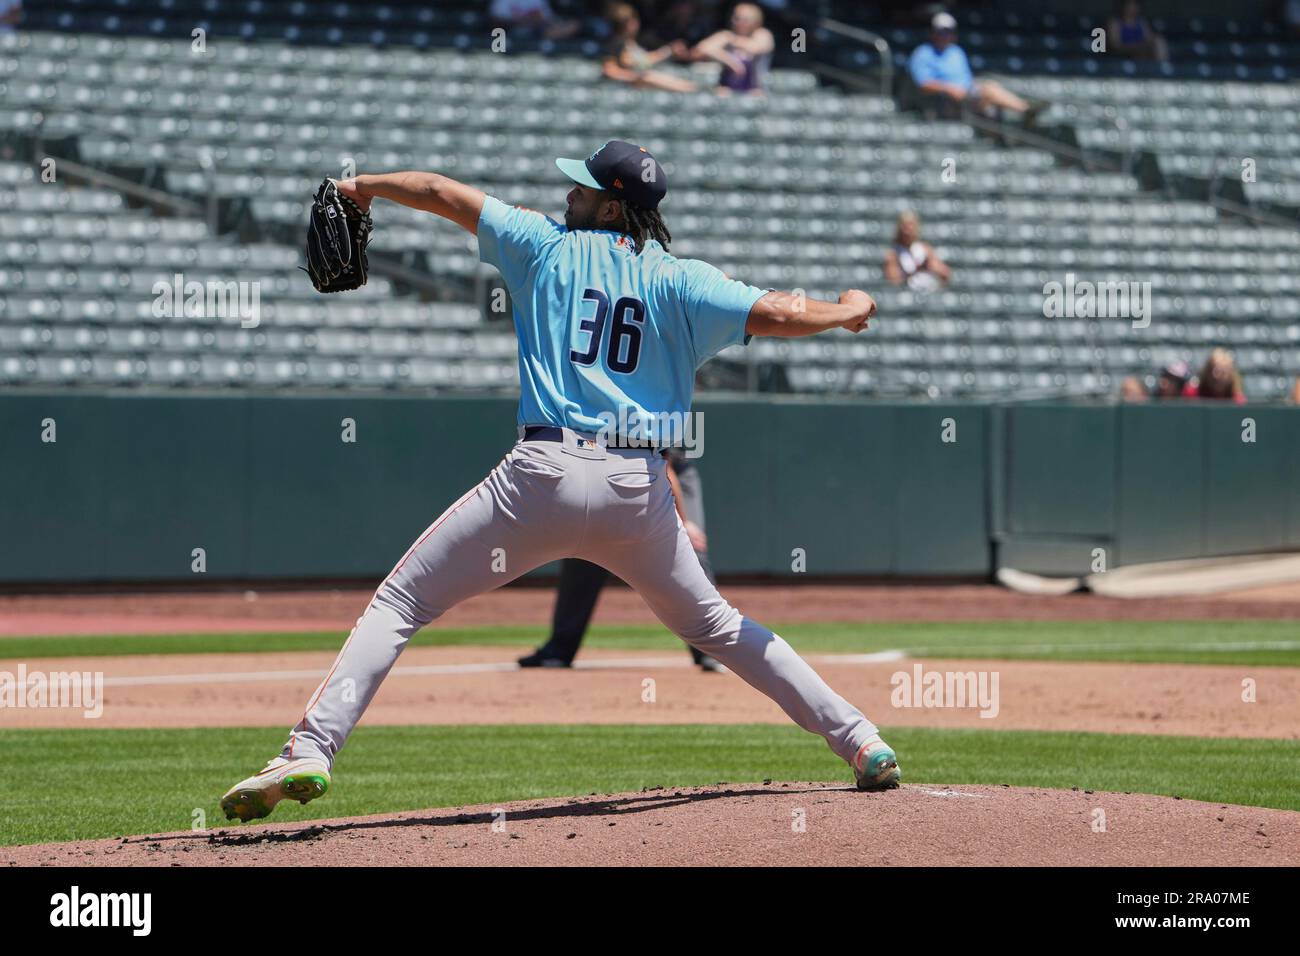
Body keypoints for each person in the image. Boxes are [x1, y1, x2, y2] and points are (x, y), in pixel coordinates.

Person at [219, 139, 898, 823]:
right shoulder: (683, 279)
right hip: (637, 489)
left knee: (400, 605)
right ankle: (860, 740)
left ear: (611, 203)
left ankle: (309, 749)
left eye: (581, 188)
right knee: (718, 626)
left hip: (541, 477)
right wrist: (846, 310)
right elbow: (780, 311)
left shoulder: (541, 243)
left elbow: (434, 189)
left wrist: (363, 185)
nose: (567, 194)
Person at [518, 449, 725, 672]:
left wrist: (684, 521)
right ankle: (559, 649)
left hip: (668, 467)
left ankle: (711, 650)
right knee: (584, 546)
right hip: (608, 471)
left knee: (688, 549)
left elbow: (664, 467)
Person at [909, 12, 1043, 124]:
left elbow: (966, 77)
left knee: (991, 102)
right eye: (941, 32)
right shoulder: (923, 53)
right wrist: (949, 89)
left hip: (968, 96)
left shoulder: (956, 52)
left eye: (948, 31)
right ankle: (1025, 109)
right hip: (946, 100)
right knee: (989, 89)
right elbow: (923, 83)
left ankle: (1008, 134)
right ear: (932, 32)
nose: (945, 35)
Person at [675, 2, 774, 96]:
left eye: (744, 19)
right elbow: (701, 49)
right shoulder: (726, 36)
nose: (738, 22)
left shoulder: (762, 34)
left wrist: (731, 41)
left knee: (757, 96)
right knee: (720, 93)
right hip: (727, 89)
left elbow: (756, 48)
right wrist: (729, 61)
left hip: (754, 90)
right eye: (736, 18)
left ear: (756, 22)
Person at [602, 2, 698, 94]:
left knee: (658, 75)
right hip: (628, 86)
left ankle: (693, 89)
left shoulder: (633, 43)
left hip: (642, 81)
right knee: (650, 77)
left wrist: (668, 51)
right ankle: (693, 91)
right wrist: (633, 77)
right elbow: (609, 70)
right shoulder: (616, 43)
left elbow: (646, 59)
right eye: (633, 20)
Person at [883, 211, 950, 292]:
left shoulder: (925, 249)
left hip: (927, 291)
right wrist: (914, 271)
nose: (908, 230)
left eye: (911, 225)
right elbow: (893, 281)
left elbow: (945, 274)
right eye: (905, 226)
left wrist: (930, 266)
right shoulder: (894, 253)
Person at [489, 0, 580, 41]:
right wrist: (525, 20)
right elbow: (496, 20)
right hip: (510, 31)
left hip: (536, 32)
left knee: (573, 25)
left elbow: (546, 19)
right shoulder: (503, 1)